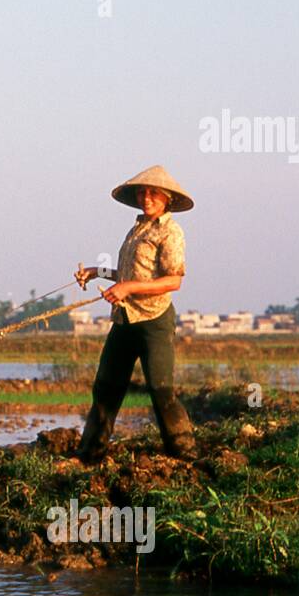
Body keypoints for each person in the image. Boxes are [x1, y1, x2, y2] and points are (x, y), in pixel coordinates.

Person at [73, 165, 197, 464]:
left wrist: (127, 288)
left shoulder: (171, 232)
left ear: (166, 199)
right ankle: (90, 455)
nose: (147, 198)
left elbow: (173, 281)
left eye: (153, 193)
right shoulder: (137, 229)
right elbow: (127, 274)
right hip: (124, 319)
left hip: (153, 320)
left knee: (160, 389)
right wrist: (97, 272)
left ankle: (185, 456)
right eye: (142, 192)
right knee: (106, 386)